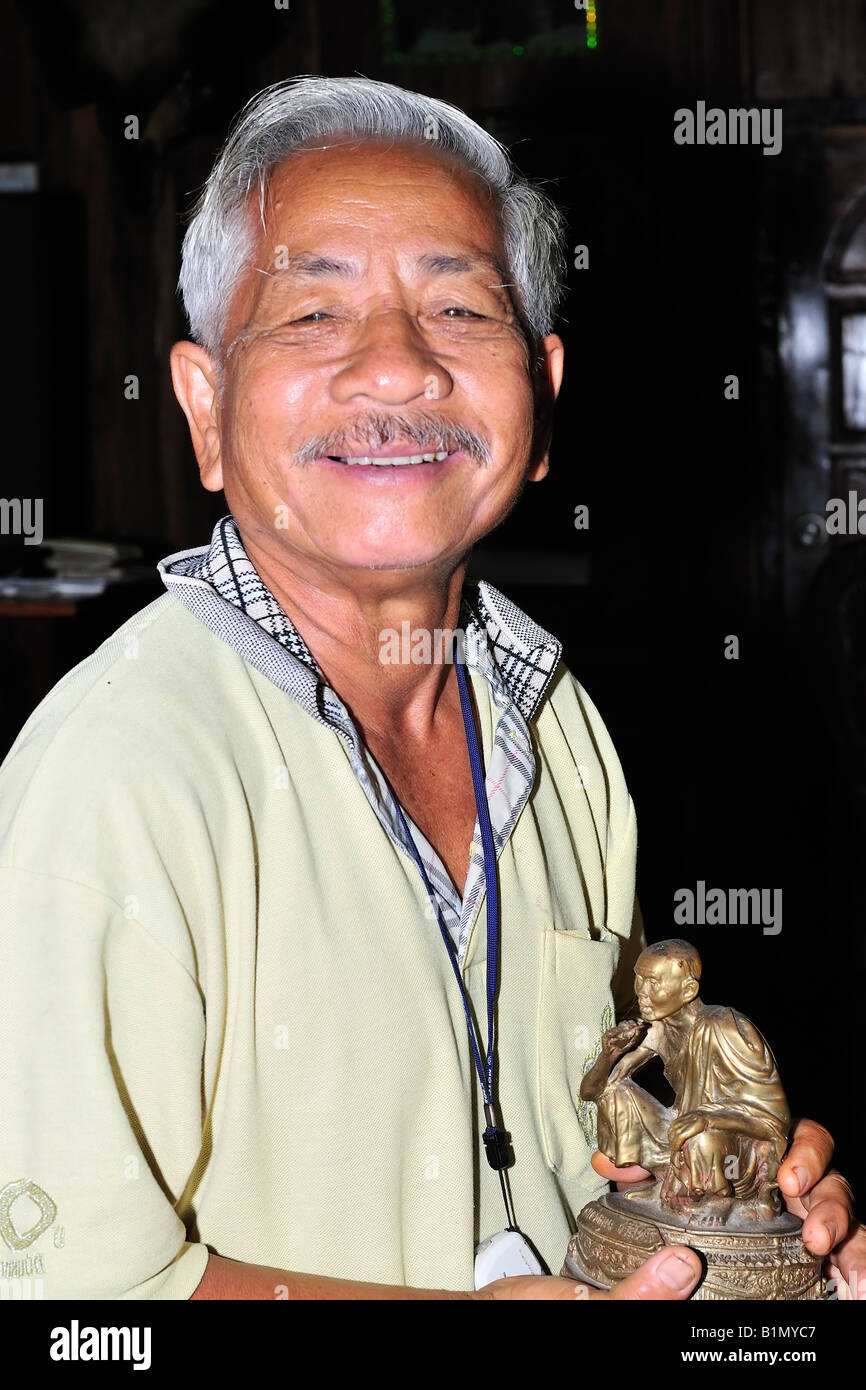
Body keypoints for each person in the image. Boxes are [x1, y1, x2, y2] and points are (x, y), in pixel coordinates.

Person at [0, 76, 862, 1302]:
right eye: (310, 314)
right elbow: (65, 1314)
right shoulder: (113, 776)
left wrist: (720, 1210)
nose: (397, 368)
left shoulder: (557, 725)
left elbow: (580, 1156)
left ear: (543, 394)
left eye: (458, 306)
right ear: (202, 406)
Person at [581, 939, 789, 1224]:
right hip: (685, 1138)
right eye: (639, 980)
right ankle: (667, 1180)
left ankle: (717, 1198)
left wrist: (709, 1119)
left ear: (688, 989)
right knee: (617, 1092)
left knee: (699, 1135)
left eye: (653, 982)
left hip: (733, 1154)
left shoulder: (724, 1027)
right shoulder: (658, 1030)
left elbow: (772, 1121)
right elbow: (593, 1091)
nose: (641, 992)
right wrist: (609, 1054)